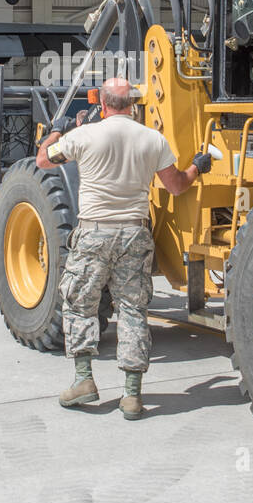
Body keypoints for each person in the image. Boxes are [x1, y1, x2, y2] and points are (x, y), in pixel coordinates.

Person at [36, 76, 211, 419]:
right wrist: (197, 167)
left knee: (80, 303)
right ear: (132, 105)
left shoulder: (83, 136)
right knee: (133, 309)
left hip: (93, 234)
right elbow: (176, 187)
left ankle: (84, 380)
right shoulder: (152, 139)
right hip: (134, 234)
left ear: (102, 105)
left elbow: (43, 160)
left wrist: (57, 130)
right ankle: (132, 395)